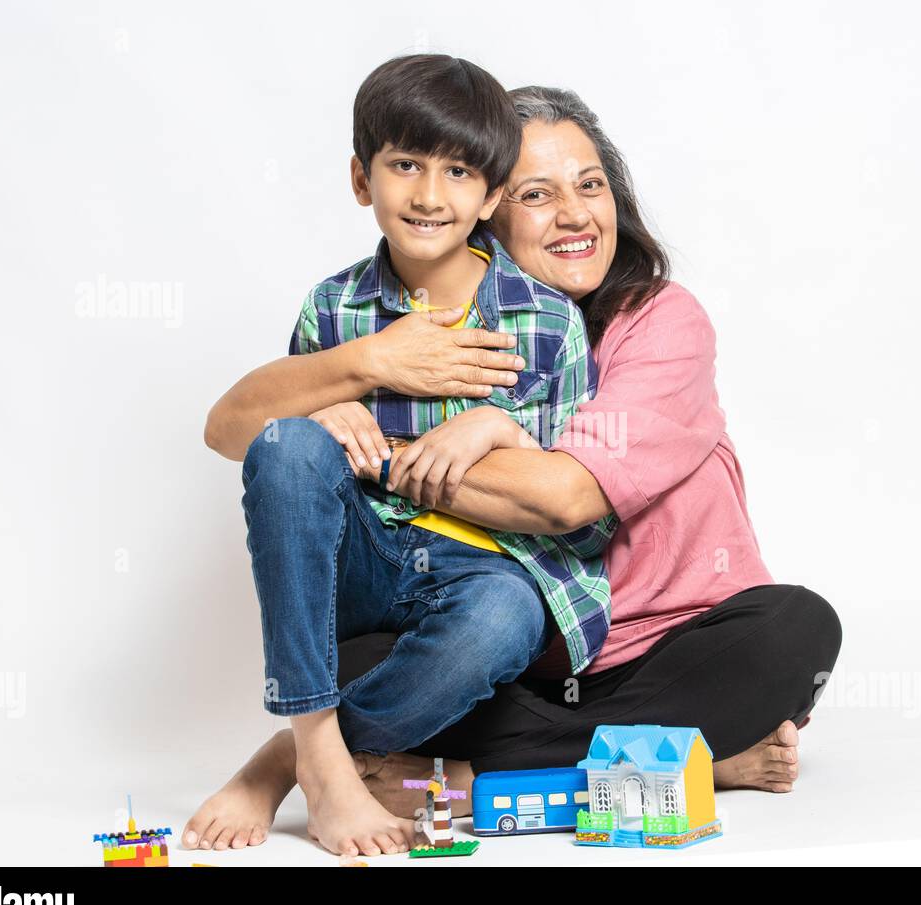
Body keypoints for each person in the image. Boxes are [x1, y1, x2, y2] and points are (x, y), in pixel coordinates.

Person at [184, 84, 842, 854]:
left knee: (792, 632)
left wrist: (384, 449)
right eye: (538, 194)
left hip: (658, 646)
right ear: (489, 213)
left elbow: (567, 498)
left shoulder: (657, 324)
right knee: (385, 652)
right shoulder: (383, 312)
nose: (574, 214)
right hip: (516, 652)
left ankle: (382, 768)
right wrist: (347, 392)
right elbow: (248, 434)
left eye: (591, 185)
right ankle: (674, 763)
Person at [224, 55, 615, 858]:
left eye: (459, 171)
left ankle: (291, 762)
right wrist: (341, 387)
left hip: (487, 571)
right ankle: (327, 768)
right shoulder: (334, 307)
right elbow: (242, 437)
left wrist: (500, 429)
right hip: (368, 561)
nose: (431, 196)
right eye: (405, 165)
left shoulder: (546, 323)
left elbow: (577, 525)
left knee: (504, 613)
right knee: (290, 443)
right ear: (363, 179)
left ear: (493, 194)